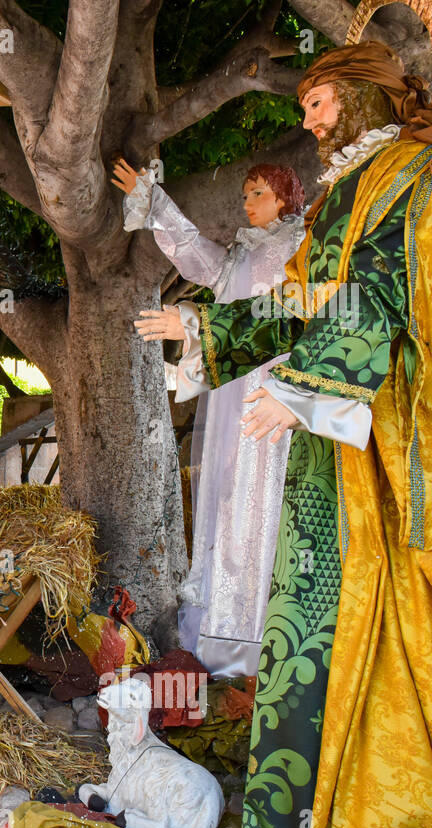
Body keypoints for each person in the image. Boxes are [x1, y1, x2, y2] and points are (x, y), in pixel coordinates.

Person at [134, 33, 432, 828]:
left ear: (364, 95)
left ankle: (391, 816)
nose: (307, 117)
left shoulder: (408, 173)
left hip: (386, 437)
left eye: (317, 101)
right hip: (330, 446)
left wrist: (309, 386)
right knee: (306, 619)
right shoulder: (345, 190)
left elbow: (378, 291)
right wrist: (206, 326)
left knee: (391, 618)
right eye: (304, 105)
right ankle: (298, 819)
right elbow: (301, 296)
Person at [113, 157, 305, 677]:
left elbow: (284, 316)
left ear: (285, 197)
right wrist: (155, 203)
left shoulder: (300, 250)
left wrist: (197, 322)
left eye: (259, 193)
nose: (247, 203)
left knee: (261, 498)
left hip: (274, 392)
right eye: (245, 194)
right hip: (230, 388)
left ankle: (264, 638)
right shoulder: (243, 254)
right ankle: (222, 634)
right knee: (223, 496)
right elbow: (197, 254)